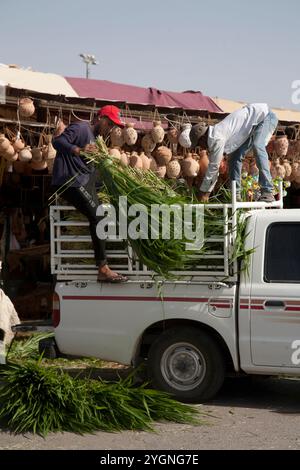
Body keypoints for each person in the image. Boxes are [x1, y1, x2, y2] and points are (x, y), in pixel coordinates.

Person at [51, 105, 128, 283]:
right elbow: (57, 142)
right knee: (98, 216)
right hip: (70, 181)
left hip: (83, 180)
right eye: (109, 124)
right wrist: (79, 150)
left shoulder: (96, 140)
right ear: (101, 119)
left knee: (105, 203)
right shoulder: (81, 128)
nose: (111, 128)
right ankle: (103, 268)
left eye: (113, 126)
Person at [189, 103, 278, 202]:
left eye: (199, 144)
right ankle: (236, 195)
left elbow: (214, 168)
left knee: (258, 145)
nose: (201, 147)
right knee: (234, 157)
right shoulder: (216, 134)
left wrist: (204, 193)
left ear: (202, 138)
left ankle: (267, 190)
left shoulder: (216, 138)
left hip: (266, 117)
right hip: (252, 125)